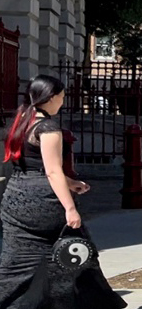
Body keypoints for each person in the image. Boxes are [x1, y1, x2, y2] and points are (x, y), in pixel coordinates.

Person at [0, 74, 125, 308]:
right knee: (74, 256)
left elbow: (33, 165)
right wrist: (70, 208)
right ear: (51, 97)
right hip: (43, 202)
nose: (63, 101)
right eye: (62, 96)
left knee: (16, 263)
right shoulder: (48, 128)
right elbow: (51, 172)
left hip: (15, 198)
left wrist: (69, 182)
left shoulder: (20, 122)